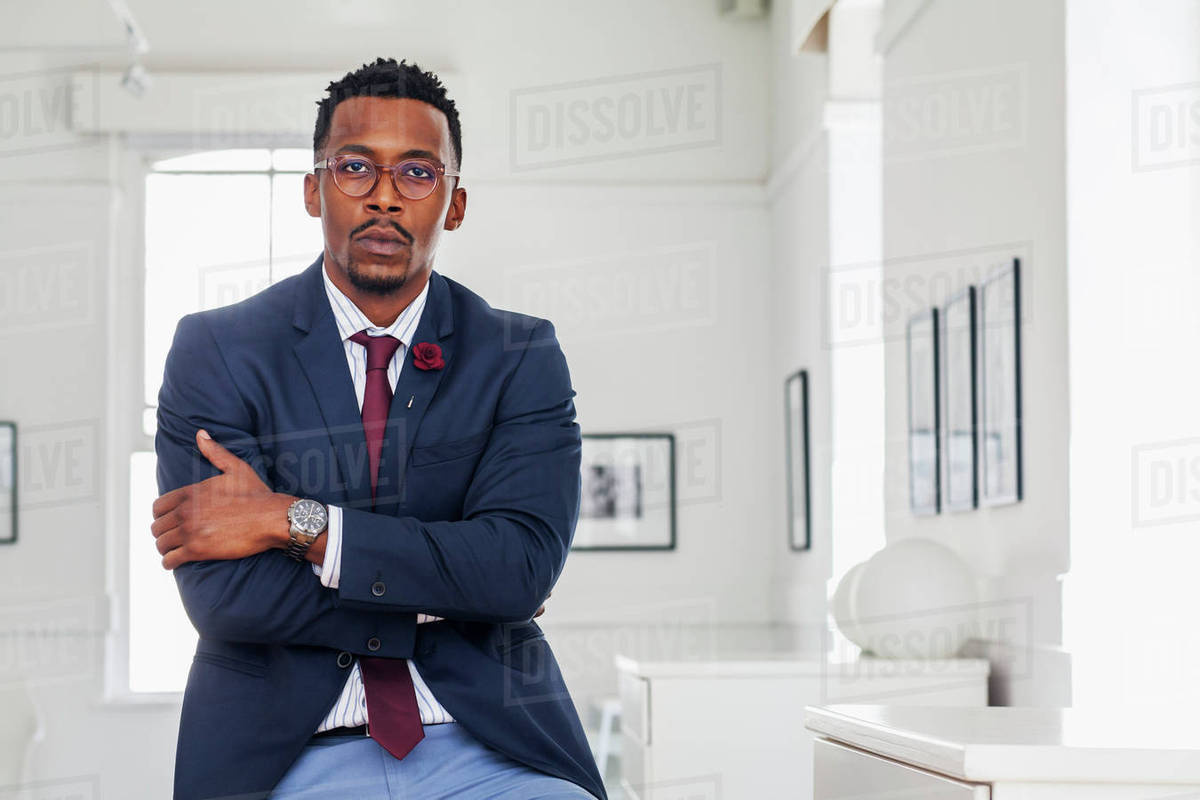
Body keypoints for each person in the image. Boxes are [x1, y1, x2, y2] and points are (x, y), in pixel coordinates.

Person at [149, 57, 606, 800]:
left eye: (419, 174)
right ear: (314, 189)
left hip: (493, 747)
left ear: (454, 203)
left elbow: (520, 568)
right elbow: (225, 595)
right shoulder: (220, 351)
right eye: (356, 167)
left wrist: (290, 522)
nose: (385, 198)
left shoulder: (519, 354)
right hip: (285, 758)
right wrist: (454, 587)